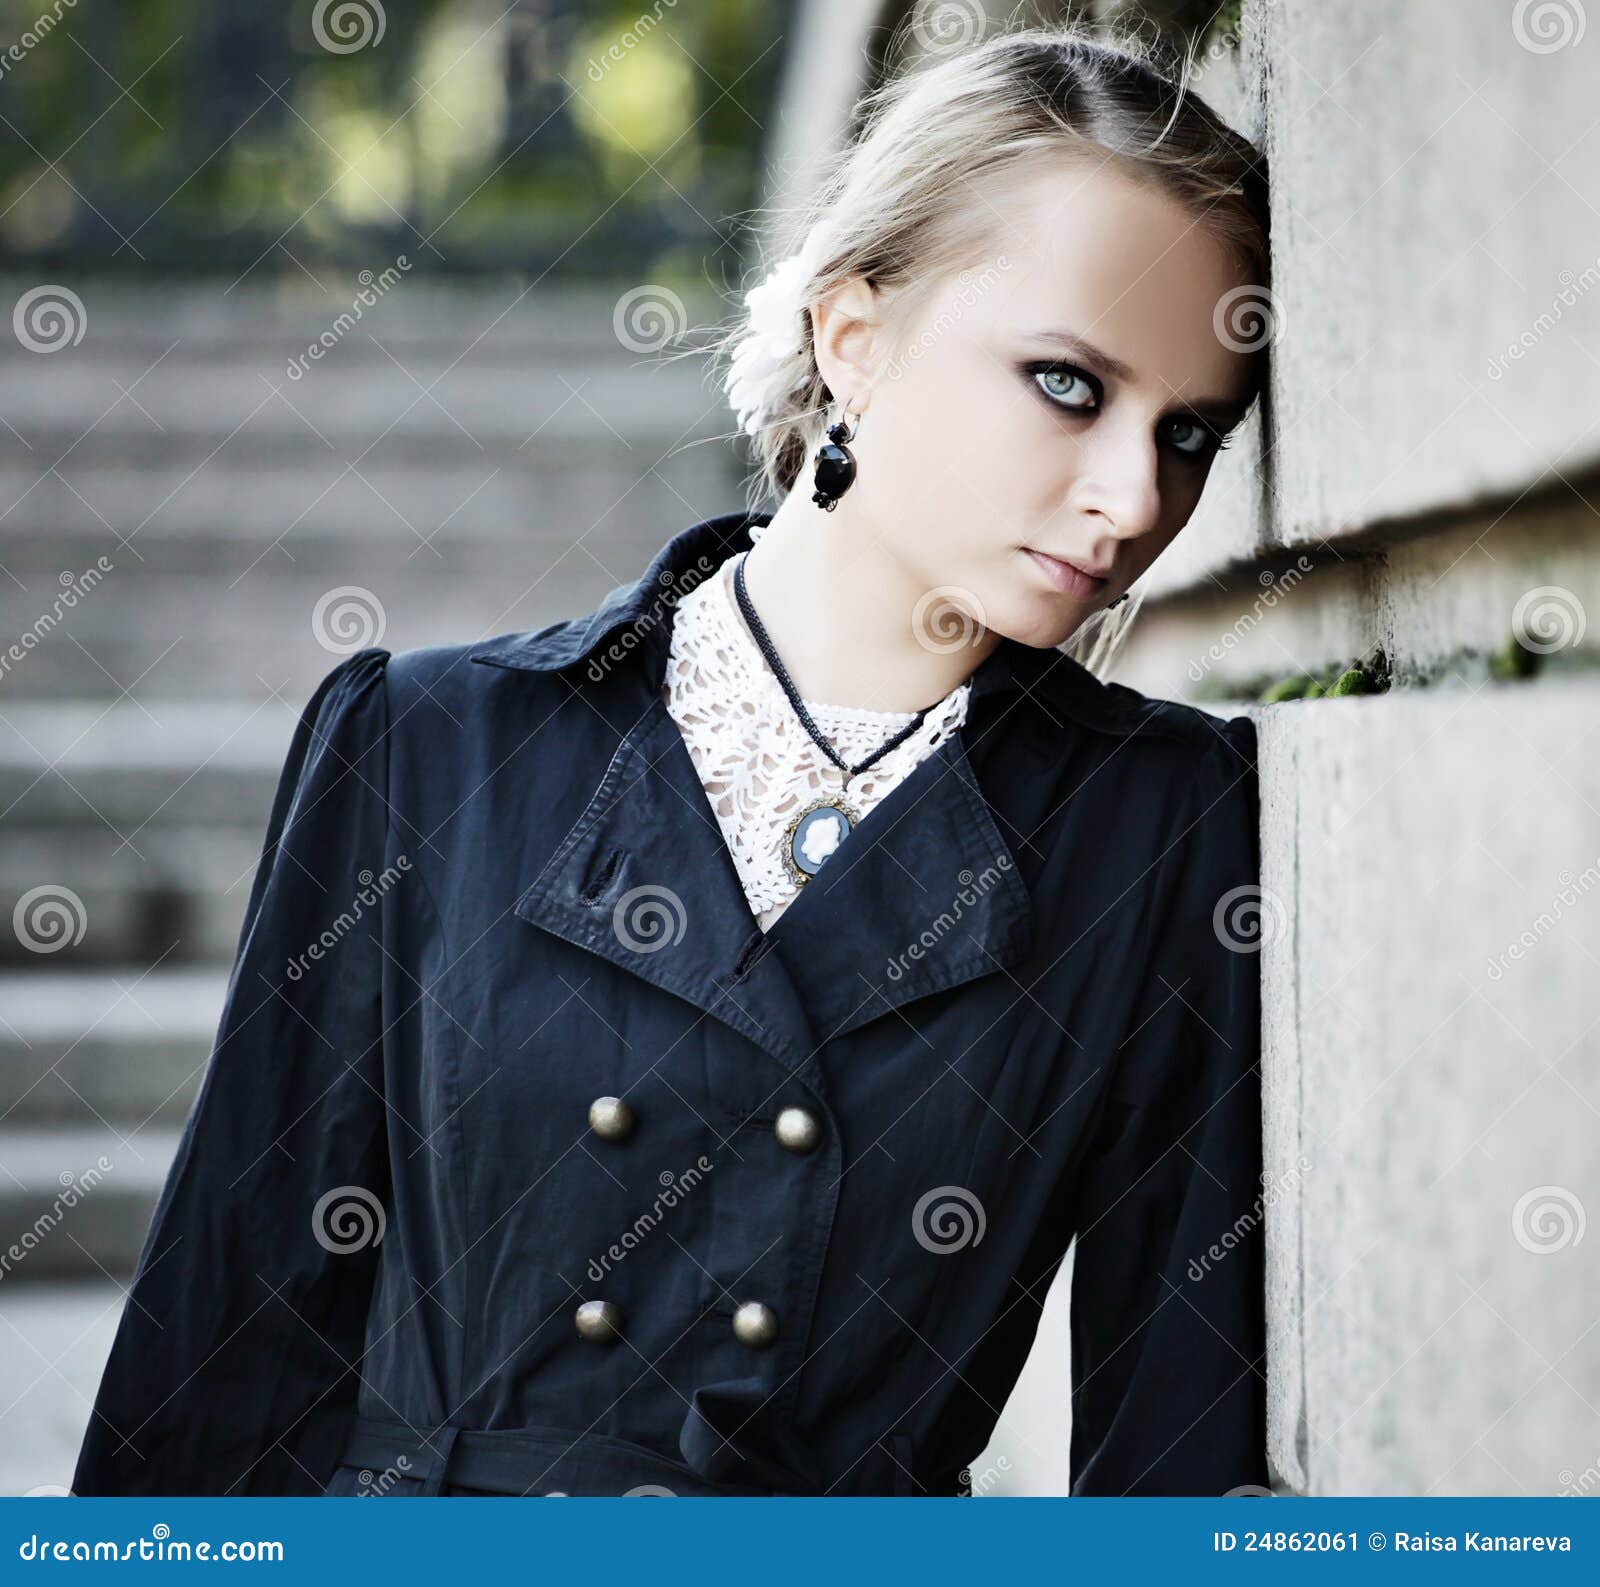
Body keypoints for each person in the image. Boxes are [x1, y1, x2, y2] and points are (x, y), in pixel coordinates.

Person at [72, 21, 1273, 1498]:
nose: (1134, 496)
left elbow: (1173, 1437)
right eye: (1071, 385)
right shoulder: (431, 744)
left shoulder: (1156, 821)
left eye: (1194, 432)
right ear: (857, 339)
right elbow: (226, 1353)